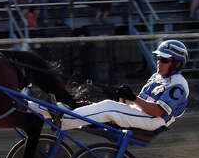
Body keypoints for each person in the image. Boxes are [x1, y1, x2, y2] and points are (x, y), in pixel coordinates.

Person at [61, 40, 190, 132]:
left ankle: (63, 121)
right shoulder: (157, 76)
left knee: (109, 108)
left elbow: (157, 111)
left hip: (155, 121)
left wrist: (133, 98)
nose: (159, 62)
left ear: (177, 64)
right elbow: (138, 104)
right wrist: (119, 96)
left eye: (164, 60)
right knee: (104, 102)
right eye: (158, 58)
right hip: (144, 115)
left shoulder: (178, 84)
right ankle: (59, 111)